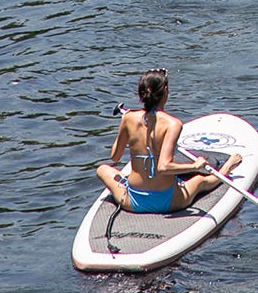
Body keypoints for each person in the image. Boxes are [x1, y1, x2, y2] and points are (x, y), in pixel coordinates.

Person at [96, 68, 241, 214]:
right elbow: (163, 167)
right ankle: (227, 167)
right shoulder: (173, 124)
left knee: (102, 169)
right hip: (168, 201)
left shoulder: (128, 118)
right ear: (165, 91)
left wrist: (124, 126)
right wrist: (195, 166)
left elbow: (115, 157)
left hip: (132, 201)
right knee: (200, 181)